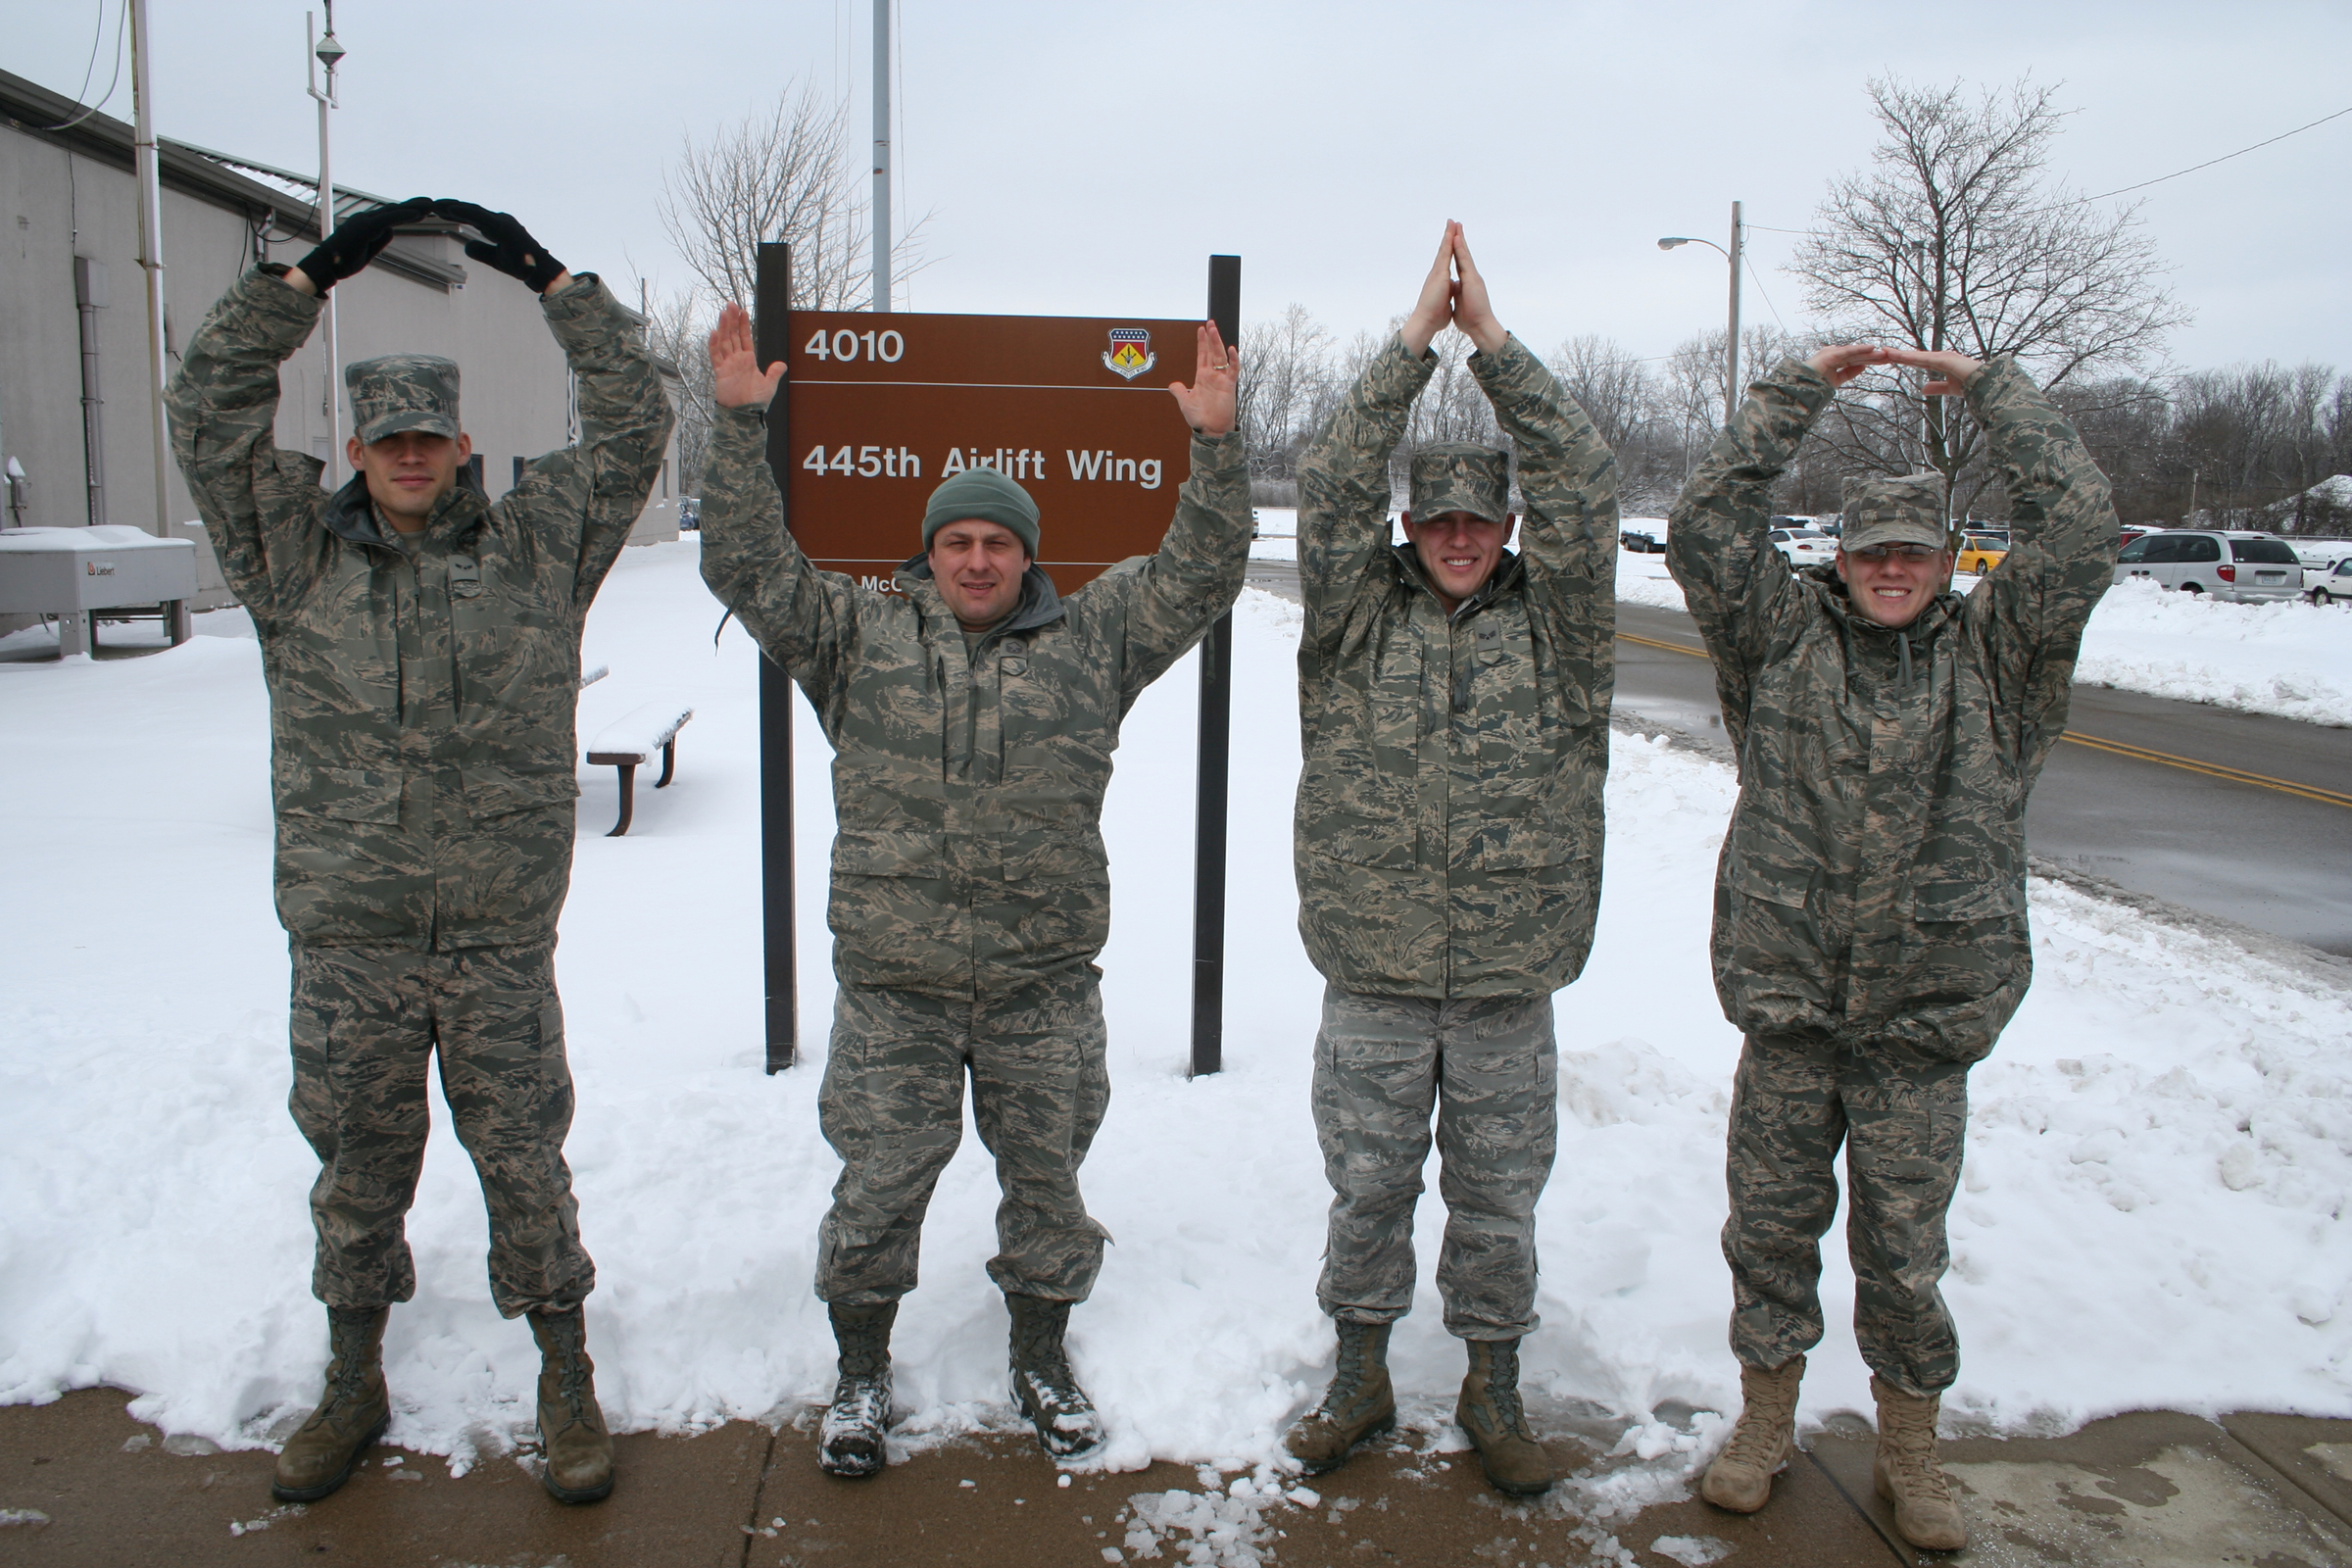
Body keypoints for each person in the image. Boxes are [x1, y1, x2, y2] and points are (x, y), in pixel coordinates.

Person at [166, 197, 673, 1507]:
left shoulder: (534, 547)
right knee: (355, 1168)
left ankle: (564, 1372)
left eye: (428, 436)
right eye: (385, 436)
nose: (407, 455)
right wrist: (305, 283)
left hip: (498, 937)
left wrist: (562, 290)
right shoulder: (288, 555)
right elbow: (207, 410)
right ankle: (352, 1377)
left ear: (461, 444)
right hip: (351, 941)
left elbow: (632, 425)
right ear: (355, 445)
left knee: (525, 1165)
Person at [694, 303, 1248, 1478]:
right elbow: (748, 564)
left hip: (1041, 987)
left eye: (1000, 542)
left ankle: (1041, 1357)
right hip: (897, 987)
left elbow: (1204, 571)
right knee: (880, 1184)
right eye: (959, 543)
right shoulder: (861, 638)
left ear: (1027, 554)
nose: (979, 560)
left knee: (1047, 1183)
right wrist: (743, 432)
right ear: (929, 552)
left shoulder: (1093, 641)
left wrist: (1215, 446)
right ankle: (857, 1370)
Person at [1667, 343, 2117, 1552]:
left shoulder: (2000, 659)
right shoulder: (1778, 645)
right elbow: (1708, 523)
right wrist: (1799, 389)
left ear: (1948, 562)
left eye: (1917, 552)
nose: (1896, 570)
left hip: (1921, 1030)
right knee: (1767, 1232)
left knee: (1905, 1259)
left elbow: (2078, 525)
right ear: (1845, 561)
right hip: (1794, 1014)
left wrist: (1986, 388)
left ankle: (1912, 1449)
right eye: (1875, 552)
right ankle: (1765, 1424)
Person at [1279, 224, 1618, 1496]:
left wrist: (1496, 345)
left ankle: (1496, 1386)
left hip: (1504, 981)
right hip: (1372, 969)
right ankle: (1358, 1377)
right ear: (1410, 521)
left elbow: (1586, 481)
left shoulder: (1560, 627)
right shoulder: (1355, 614)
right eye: (1439, 516)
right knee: (1367, 1188)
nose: (1461, 536)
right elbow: (1325, 478)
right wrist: (1412, 339)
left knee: (1497, 1203)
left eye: (1481, 518)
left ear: (1506, 522)